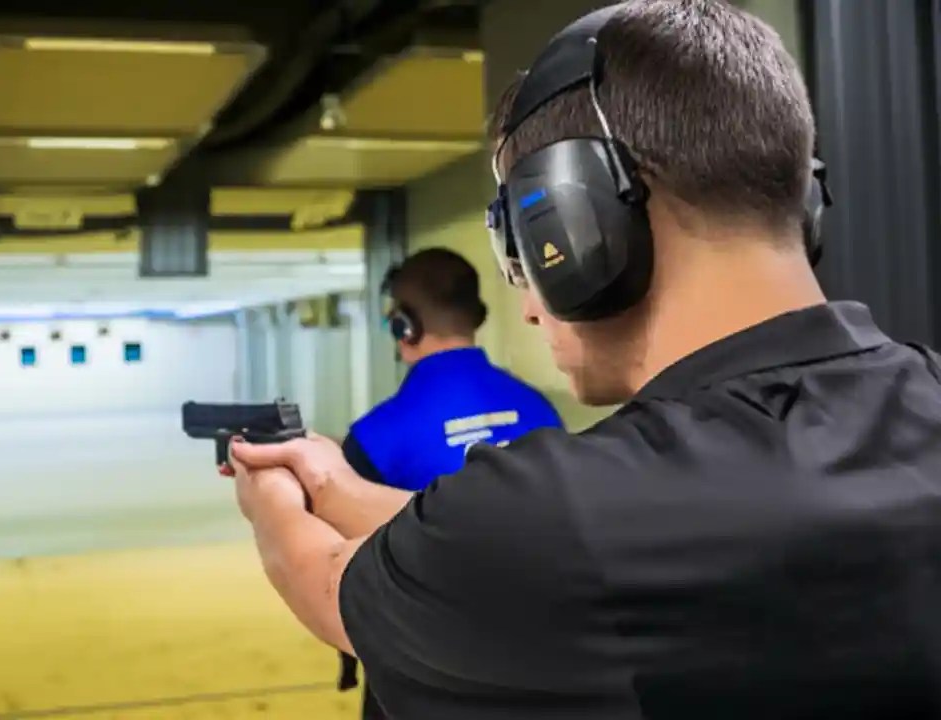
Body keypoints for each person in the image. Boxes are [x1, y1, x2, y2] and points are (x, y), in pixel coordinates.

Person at [224, 2, 941, 718]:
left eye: (525, 245)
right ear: (805, 201)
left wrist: (273, 493)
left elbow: (323, 580)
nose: (531, 305)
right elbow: (513, 547)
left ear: (579, 216)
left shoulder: (558, 513)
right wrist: (330, 478)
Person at [337, 247, 564, 717]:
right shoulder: (540, 410)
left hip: (417, 669)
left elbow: (346, 567)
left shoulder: (375, 437)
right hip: (539, 664)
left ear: (404, 326)